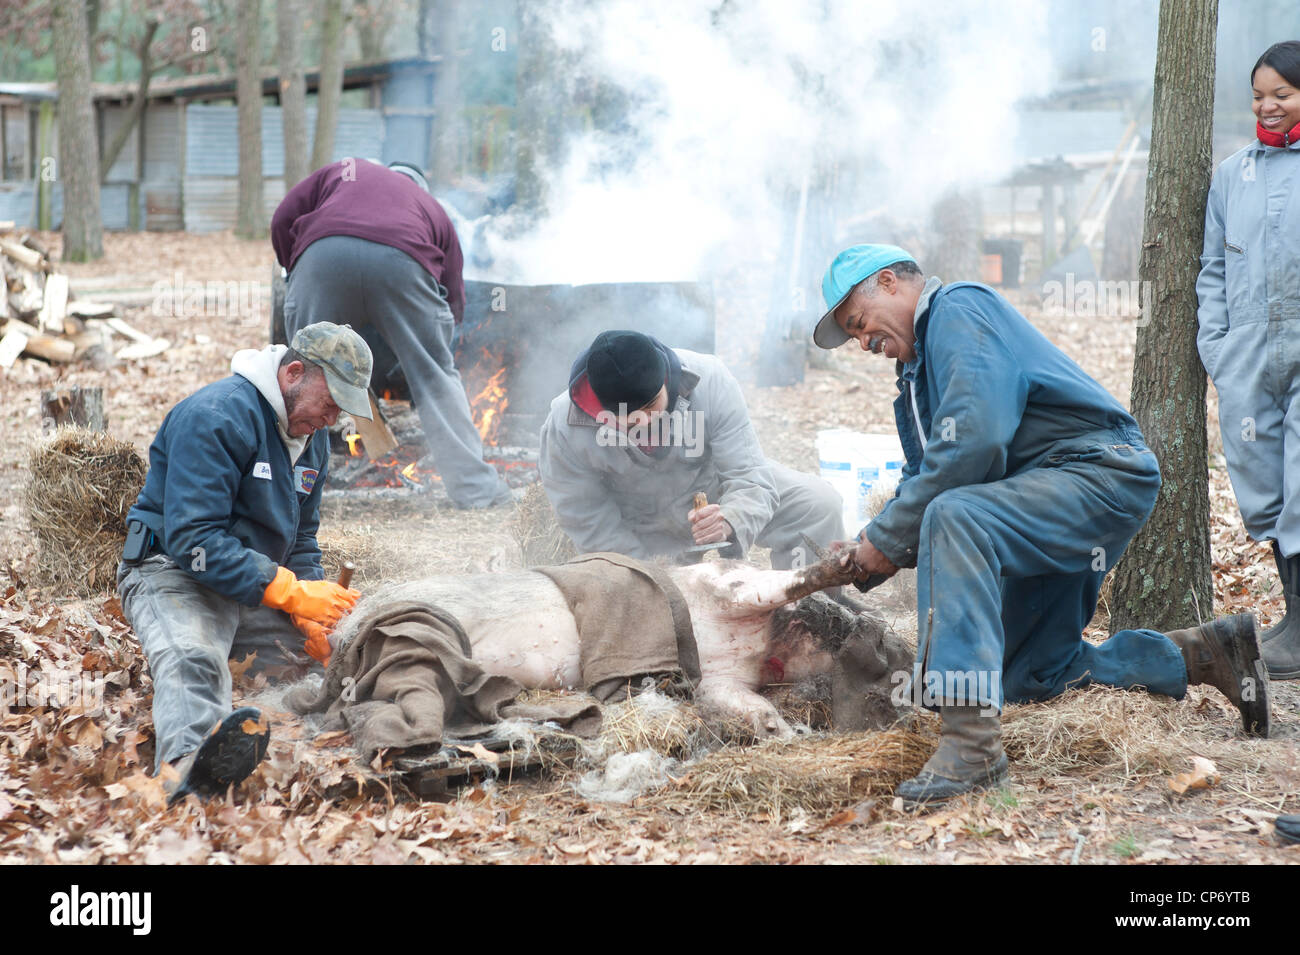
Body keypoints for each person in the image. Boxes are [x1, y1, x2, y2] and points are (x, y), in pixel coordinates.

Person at [815, 244, 1270, 808]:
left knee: (954, 517)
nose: (864, 344)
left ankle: (970, 748)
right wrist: (870, 539)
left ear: (889, 283)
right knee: (1029, 674)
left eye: (860, 325)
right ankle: (1204, 654)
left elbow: (974, 442)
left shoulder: (957, 309)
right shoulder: (917, 376)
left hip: (1094, 474)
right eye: (855, 337)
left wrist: (886, 541)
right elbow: (925, 470)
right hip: (1036, 504)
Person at [117, 322, 372, 803]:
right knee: (194, 655)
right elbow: (194, 540)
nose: (333, 418)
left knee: (330, 659)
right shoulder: (216, 416)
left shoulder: (312, 436)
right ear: (294, 373)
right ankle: (188, 773)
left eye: (342, 409)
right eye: (330, 402)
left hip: (251, 583)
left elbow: (302, 538)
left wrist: (309, 611)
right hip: (173, 570)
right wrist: (289, 591)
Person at [271, 158, 510, 509]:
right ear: (419, 186)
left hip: (324, 257)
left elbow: (281, 219)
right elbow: (453, 292)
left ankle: (278, 488)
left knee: (302, 372)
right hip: (402, 264)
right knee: (435, 377)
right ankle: (477, 492)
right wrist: (437, 349)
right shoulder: (432, 207)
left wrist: (296, 271)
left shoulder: (345, 169)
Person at [539, 329, 845, 570]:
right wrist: (650, 577)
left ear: (666, 381)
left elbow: (749, 474)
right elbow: (587, 519)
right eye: (628, 418)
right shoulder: (565, 425)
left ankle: (804, 620)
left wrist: (731, 518)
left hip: (713, 489)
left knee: (817, 504)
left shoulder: (709, 379)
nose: (645, 421)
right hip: (640, 522)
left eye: (651, 406)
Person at [1197, 40, 1300, 680]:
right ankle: (1293, 613)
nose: (1267, 106)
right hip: (1247, 351)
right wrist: (1218, 345)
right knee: (1261, 484)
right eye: (1259, 96)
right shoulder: (1232, 174)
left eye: (1281, 95)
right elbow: (1212, 269)